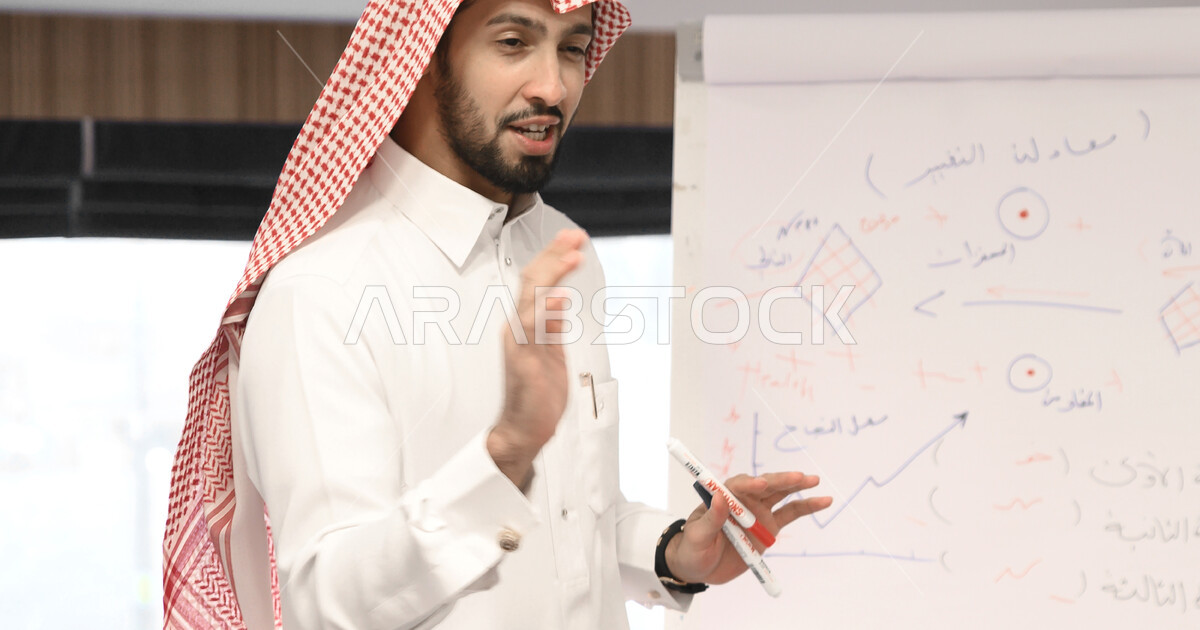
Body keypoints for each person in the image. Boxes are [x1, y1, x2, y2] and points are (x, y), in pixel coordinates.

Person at [162, 0, 832, 628]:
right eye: (513, 43)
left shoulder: (563, 249)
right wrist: (506, 454)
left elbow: (574, 517)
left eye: (572, 49)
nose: (555, 88)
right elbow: (328, 599)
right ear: (421, 55)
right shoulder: (320, 291)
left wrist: (676, 552)